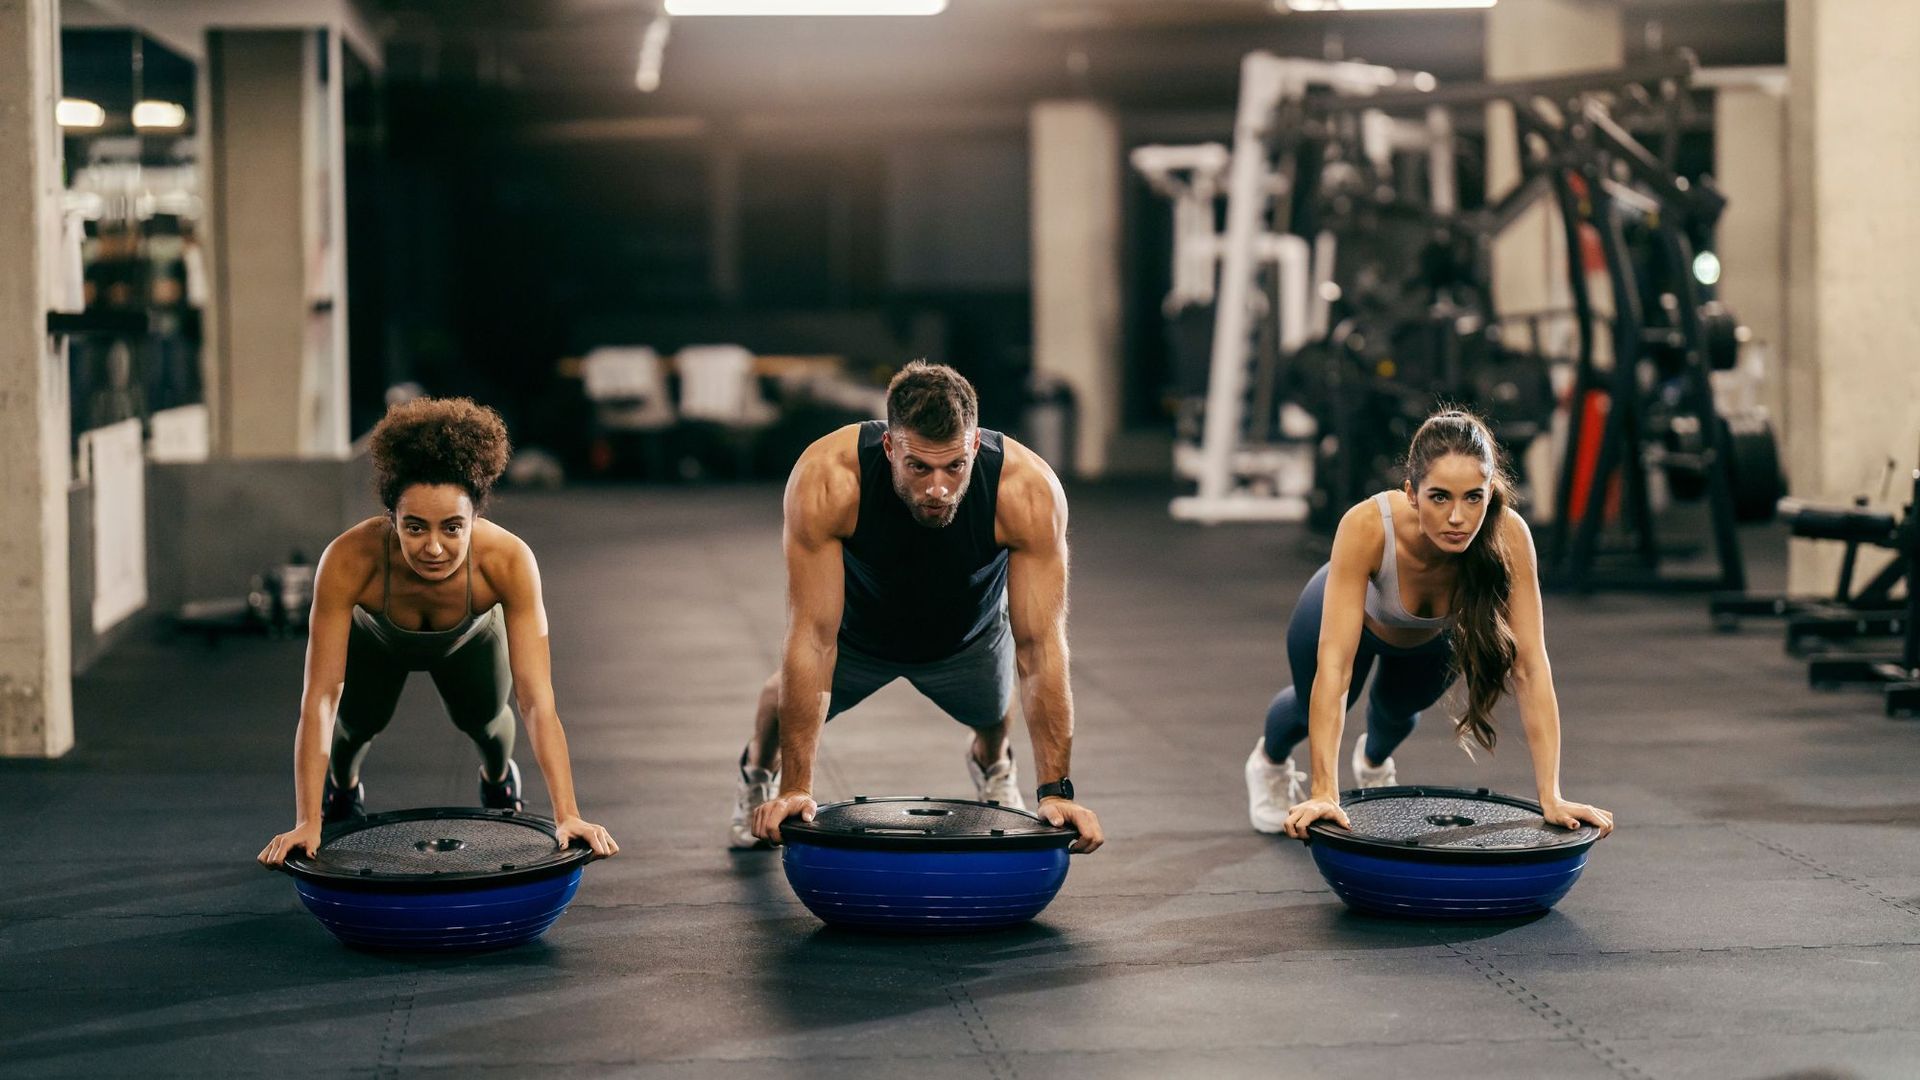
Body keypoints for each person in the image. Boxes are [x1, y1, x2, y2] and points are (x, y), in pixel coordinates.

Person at [731, 361, 1103, 854]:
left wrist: (1057, 790)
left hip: (967, 638)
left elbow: (1040, 647)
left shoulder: (1026, 490)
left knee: (994, 711)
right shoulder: (829, 477)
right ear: (890, 447)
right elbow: (812, 637)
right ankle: (758, 774)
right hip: (856, 638)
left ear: (973, 446)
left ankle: (993, 764)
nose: (938, 488)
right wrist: (796, 789)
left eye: (955, 466)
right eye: (918, 467)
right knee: (778, 708)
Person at [258, 397, 618, 866]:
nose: (433, 547)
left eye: (452, 527)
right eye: (414, 527)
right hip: (378, 643)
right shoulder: (348, 559)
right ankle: (342, 789)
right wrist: (308, 820)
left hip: (468, 641)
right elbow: (321, 696)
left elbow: (536, 699)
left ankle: (497, 777)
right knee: (355, 727)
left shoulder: (508, 560)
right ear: (392, 519)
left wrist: (567, 814)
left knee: (487, 724)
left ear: (475, 518)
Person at [1243, 409, 1615, 841]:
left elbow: (1531, 667)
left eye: (1472, 497)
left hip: (1430, 639)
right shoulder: (1367, 525)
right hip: (1352, 618)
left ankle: (1374, 762)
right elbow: (1336, 669)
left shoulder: (1509, 535)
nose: (1457, 518)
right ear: (1412, 493)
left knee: (1398, 713)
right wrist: (1325, 791)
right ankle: (1269, 763)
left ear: (1489, 493)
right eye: (1439, 497)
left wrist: (1551, 794)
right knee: (1314, 707)